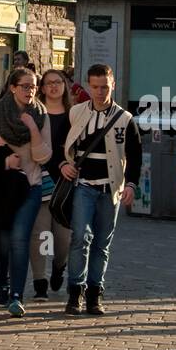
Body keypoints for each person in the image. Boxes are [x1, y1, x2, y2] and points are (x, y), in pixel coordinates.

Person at [61, 63, 141, 317]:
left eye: (104, 87)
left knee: (102, 244)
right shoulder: (75, 112)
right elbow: (59, 144)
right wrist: (63, 164)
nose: (99, 92)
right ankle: (75, 292)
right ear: (87, 86)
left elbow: (135, 155)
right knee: (80, 238)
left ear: (113, 85)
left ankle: (95, 293)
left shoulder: (125, 119)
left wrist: (130, 184)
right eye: (95, 87)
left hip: (110, 188)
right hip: (83, 185)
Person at [0, 68, 52, 316]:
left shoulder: (41, 115)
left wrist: (32, 129)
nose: (30, 91)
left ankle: (17, 296)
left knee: (19, 240)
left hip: (30, 186)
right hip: (1, 189)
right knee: (3, 242)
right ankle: (3, 288)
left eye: (33, 86)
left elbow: (44, 156)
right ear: (13, 87)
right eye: (25, 86)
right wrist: (3, 162)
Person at [29, 69, 72, 298]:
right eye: (49, 83)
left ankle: (59, 266)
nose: (54, 86)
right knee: (41, 234)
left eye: (58, 82)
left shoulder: (74, 114)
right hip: (41, 182)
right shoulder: (36, 113)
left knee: (63, 238)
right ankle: (40, 281)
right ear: (42, 88)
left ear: (65, 86)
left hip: (65, 184)